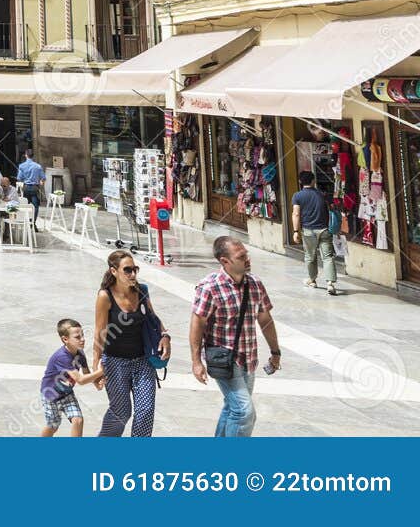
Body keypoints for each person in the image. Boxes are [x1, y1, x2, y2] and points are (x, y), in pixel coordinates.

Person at [191, 237, 281, 438]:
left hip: (248, 358)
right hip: (223, 361)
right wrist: (196, 361)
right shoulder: (209, 287)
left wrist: (275, 352)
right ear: (225, 261)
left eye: (246, 254)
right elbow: (197, 324)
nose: (247, 259)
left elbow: (265, 320)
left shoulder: (255, 284)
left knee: (233, 408)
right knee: (243, 412)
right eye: (241, 257)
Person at [93, 250, 169, 437]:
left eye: (135, 269)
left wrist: (165, 336)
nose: (133, 274)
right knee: (121, 412)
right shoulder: (105, 296)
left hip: (142, 361)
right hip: (115, 362)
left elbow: (153, 317)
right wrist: (95, 367)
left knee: (145, 411)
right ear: (113, 271)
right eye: (127, 270)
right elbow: (99, 332)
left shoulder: (142, 291)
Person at [40, 319, 101, 437]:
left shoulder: (80, 353)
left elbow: (87, 373)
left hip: (67, 394)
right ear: (65, 339)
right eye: (78, 337)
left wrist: (98, 382)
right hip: (51, 396)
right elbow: (81, 380)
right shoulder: (62, 357)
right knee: (53, 426)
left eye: (82, 335)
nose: (83, 339)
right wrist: (101, 372)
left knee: (78, 420)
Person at [292, 181, 338, 297]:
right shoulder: (322, 194)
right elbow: (332, 208)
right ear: (313, 181)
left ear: (300, 182)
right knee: (327, 257)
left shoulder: (298, 196)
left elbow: (296, 214)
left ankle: (312, 280)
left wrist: (296, 231)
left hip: (308, 231)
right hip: (324, 229)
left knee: (310, 256)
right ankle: (330, 283)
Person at [17, 150, 45, 223]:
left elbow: (19, 178)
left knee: (25, 205)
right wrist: (41, 182)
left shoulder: (22, 166)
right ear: (33, 156)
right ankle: (33, 223)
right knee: (35, 206)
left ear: (26, 155)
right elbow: (43, 178)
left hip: (25, 187)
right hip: (35, 188)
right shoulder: (38, 166)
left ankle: (26, 222)